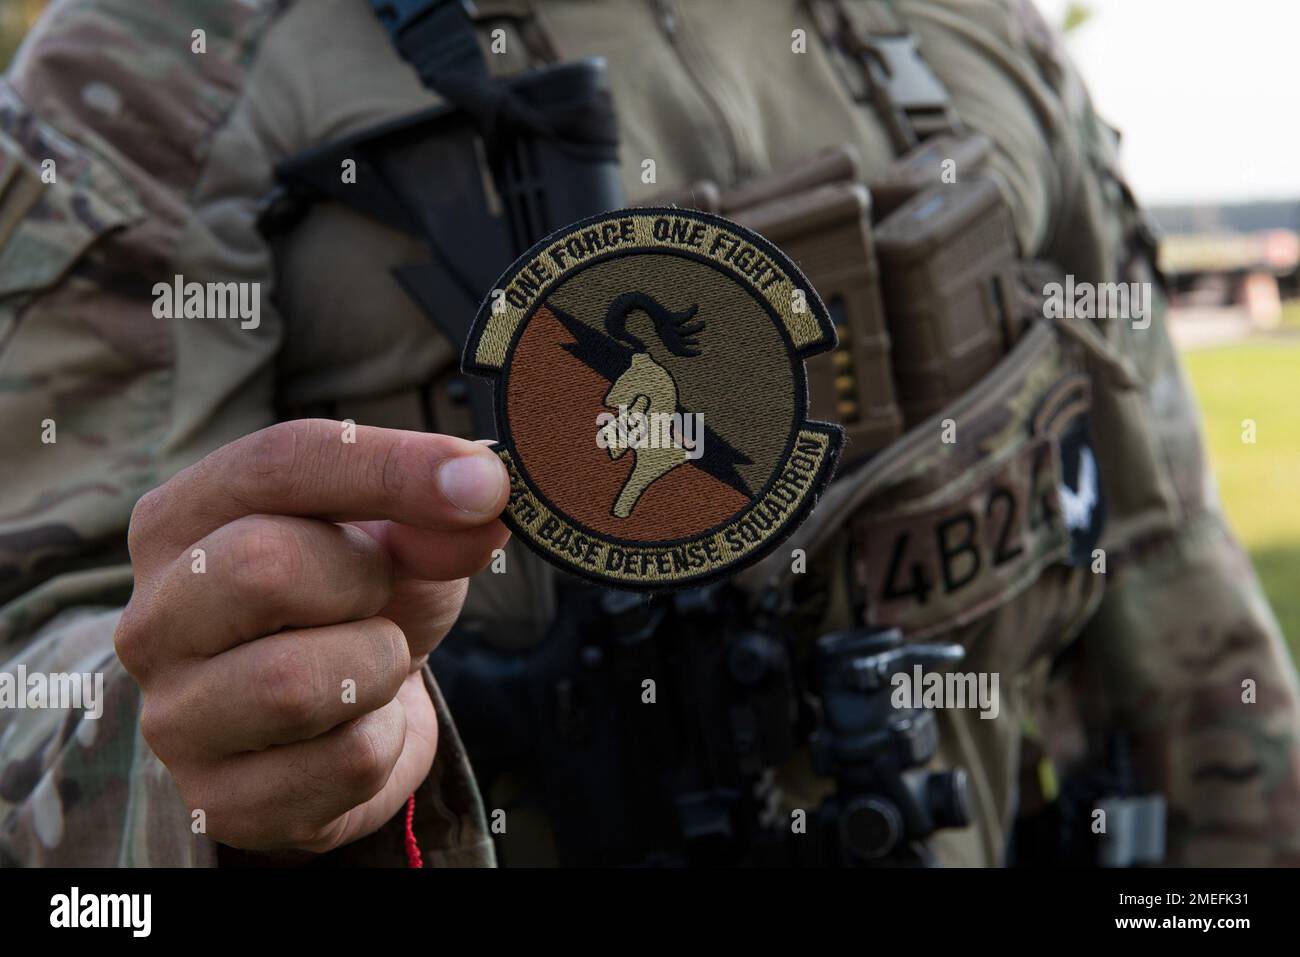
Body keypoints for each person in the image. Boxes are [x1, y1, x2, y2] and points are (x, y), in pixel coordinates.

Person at [1, 0, 1296, 867]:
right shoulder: (163, 63)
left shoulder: (968, 26)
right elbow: (33, 665)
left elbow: (1169, 567)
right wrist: (204, 753)